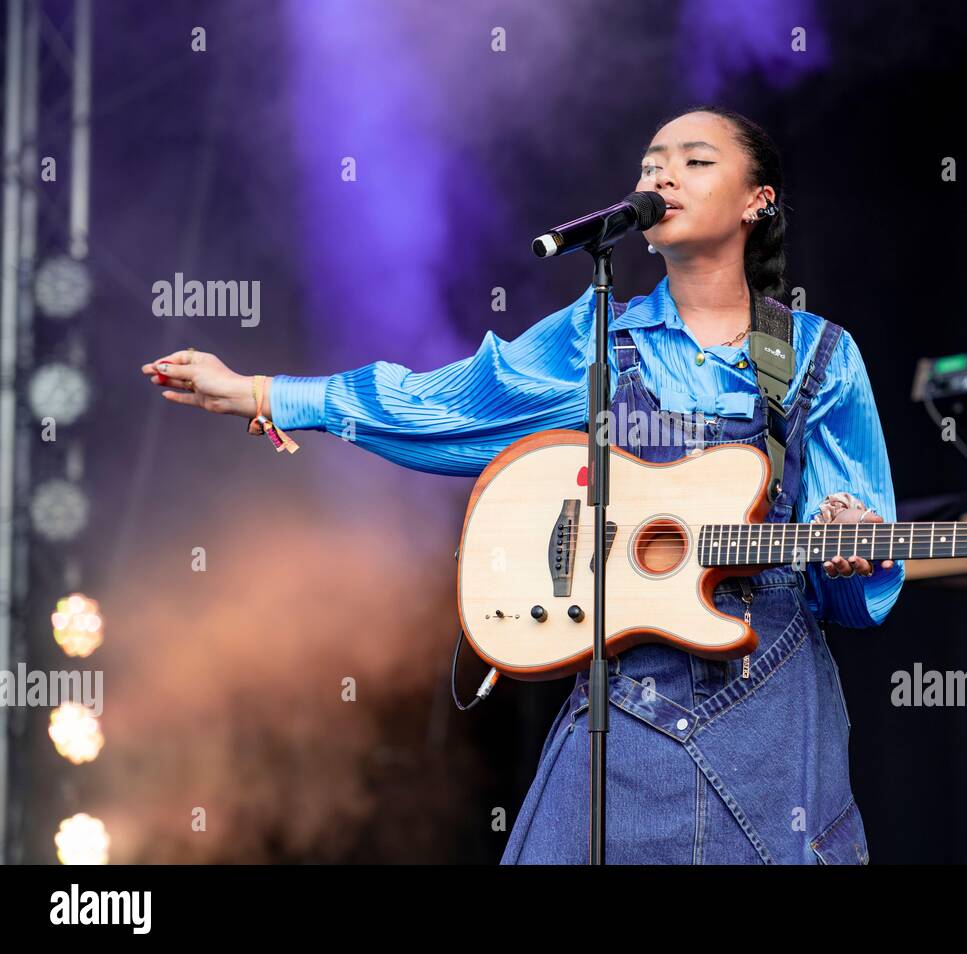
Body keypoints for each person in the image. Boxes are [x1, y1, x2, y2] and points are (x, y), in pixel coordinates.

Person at [140, 105, 905, 864]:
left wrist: (851, 550)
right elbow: (444, 405)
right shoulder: (600, 334)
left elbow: (848, 602)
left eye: (695, 160)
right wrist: (270, 393)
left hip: (770, 718)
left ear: (757, 200)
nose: (663, 175)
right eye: (651, 164)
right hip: (624, 710)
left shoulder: (821, 356)